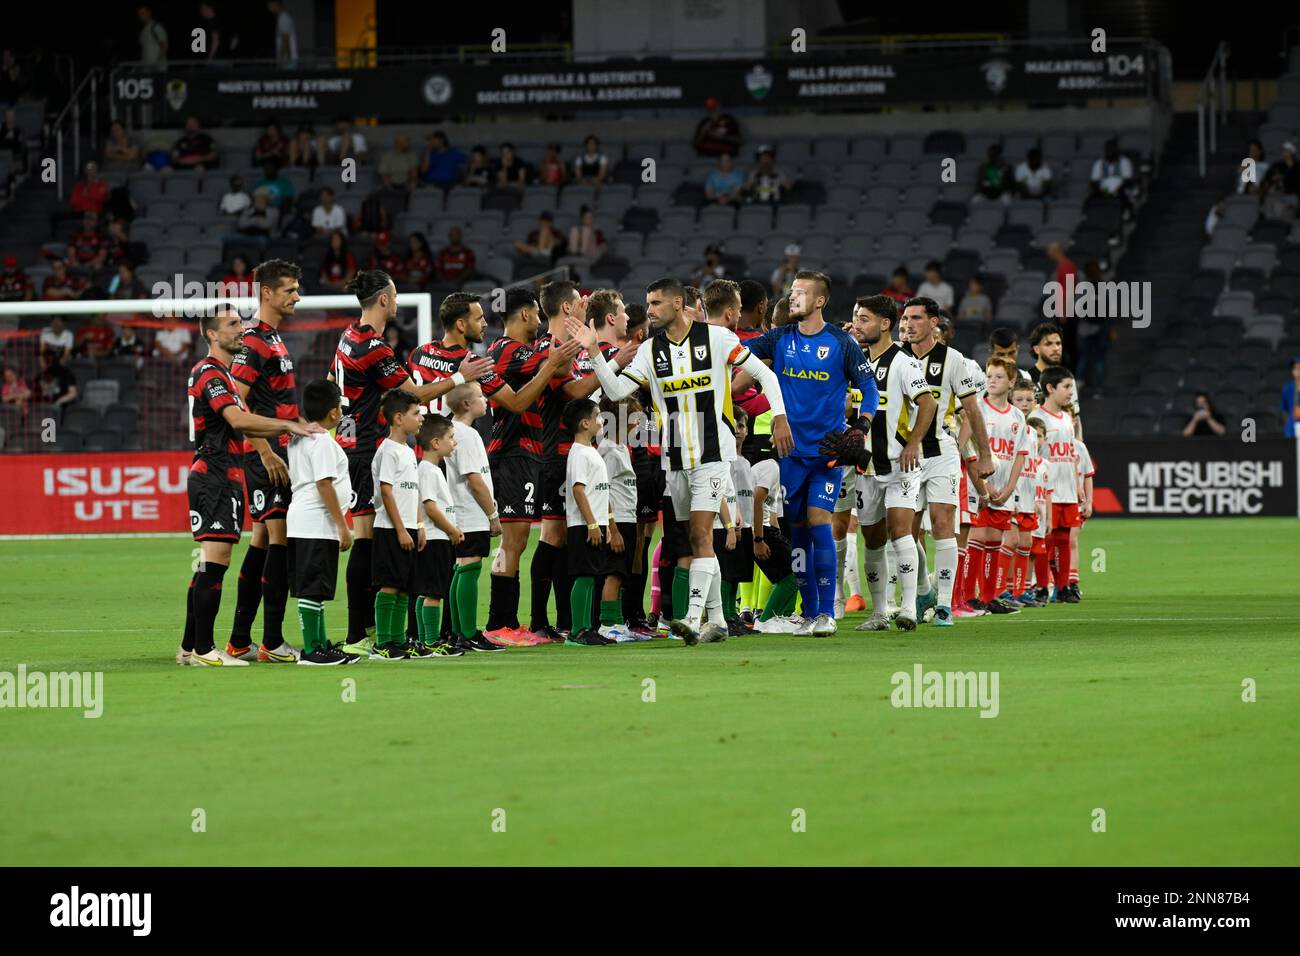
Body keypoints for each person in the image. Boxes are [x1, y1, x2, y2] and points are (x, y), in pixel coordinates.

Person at [573, 276, 792, 644]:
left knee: (699, 535)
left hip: (712, 453)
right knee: (696, 538)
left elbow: (765, 374)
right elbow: (615, 391)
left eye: (656, 303)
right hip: (674, 460)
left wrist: (781, 417)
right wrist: (595, 352)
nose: (650, 310)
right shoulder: (648, 351)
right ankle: (719, 621)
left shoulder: (718, 339)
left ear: (677, 304)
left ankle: (691, 618)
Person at [329, 270, 493, 650]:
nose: (399, 301)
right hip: (368, 449)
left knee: (375, 540)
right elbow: (414, 395)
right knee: (374, 541)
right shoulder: (374, 346)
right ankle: (364, 634)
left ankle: (376, 632)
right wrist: (458, 377)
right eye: (396, 294)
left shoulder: (347, 336)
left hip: (351, 444)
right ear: (384, 299)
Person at [177, 306, 321, 667]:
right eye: (232, 324)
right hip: (213, 474)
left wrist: (286, 426)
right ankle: (205, 650)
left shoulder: (221, 373)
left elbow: (246, 421)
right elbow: (238, 419)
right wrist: (288, 426)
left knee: (211, 563)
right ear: (211, 334)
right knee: (215, 562)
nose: (241, 329)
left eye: (241, 322)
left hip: (223, 474)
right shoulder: (210, 372)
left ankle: (189, 646)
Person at [477, 289, 583, 641]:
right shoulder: (510, 350)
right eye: (536, 313)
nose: (538, 319)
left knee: (517, 542)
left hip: (525, 453)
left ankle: (507, 622)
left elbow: (558, 367)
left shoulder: (513, 352)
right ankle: (499, 624)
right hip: (512, 452)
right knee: (513, 541)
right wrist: (560, 352)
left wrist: (565, 345)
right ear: (524, 315)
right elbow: (525, 398)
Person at [225, 258, 306, 663]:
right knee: (282, 541)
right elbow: (236, 400)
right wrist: (264, 450)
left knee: (261, 541)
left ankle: (241, 639)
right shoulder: (255, 338)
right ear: (267, 293)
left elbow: (274, 403)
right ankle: (272, 643)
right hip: (266, 457)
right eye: (290, 289)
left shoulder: (273, 338)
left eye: (297, 289)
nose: (297, 296)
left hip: (279, 452)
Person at [840, 295, 937, 632]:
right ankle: (880, 612)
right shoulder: (856, 362)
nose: (856, 324)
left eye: (863, 318)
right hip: (866, 467)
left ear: (884, 324)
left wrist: (913, 444)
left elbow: (927, 403)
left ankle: (909, 607)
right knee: (872, 540)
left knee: (900, 532)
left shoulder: (904, 362)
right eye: (855, 317)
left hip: (900, 466)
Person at [897, 297, 994, 628]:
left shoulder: (955, 361)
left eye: (916, 318)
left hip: (941, 451)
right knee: (906, 533)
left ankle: (942, 605)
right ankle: (923, 588)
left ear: (934, 322)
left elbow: (973, 410)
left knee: (942, 522)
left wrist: (985, 454)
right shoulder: (895, 356)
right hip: (903, 455)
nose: (908, 324)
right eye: (905, 318)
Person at [286, 379, 362, 665]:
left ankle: (319, 644)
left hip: (308, 521)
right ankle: (311, 650)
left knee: (315, 588)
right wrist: (342, 524)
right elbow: (324, 484)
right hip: (316, 522)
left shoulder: (300, 438)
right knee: (312, 589)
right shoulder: (322, 443)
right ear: (333, 413)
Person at [442, 381, 505, 653]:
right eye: (480, 396)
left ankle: (459, 631)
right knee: (469, 565)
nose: (486, 399)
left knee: (460, 566)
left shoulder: (457, 432)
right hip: (471, 511)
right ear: (466, 404)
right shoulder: (466, 435)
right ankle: (467, 633)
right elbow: (475, 480)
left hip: (461, 511)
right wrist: (492, 514)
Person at [968, 358, 1030, 614]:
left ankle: (990, 596)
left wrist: (1008, 488)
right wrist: (984, 485)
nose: (992, 380)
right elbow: (968, 448)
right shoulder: (977, 409)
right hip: (978, 488)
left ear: (1011, 382)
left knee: (995, 539)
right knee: (976, 537)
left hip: (1004, 491)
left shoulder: (1017, 416)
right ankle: (967, 595)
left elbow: (1019, 454)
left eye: (999, 376)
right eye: (989, 375)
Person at [368, 388, 426, 660]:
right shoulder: (388, 450)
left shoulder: (408, 450)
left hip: (407, 528)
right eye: (416, 414)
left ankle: (398, 640)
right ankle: (382, 643)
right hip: (391, 529)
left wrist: (418, 525)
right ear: (399, 418)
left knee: (404, 585)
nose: (421, 418)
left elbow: (411, 492)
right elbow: (387, 491)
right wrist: (402, 528)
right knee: (389, 584)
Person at [561, 398, 617, 646]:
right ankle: (577, 631)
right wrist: (593, 524)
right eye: (597, 416)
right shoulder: (580, 454)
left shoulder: (590, 452)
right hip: (585, 525)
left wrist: (608, 524)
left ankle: (587, 628)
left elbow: (599, 491)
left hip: (596, 523)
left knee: (593, 574)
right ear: (585, 423)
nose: (601, 420)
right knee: (584, 575)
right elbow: (578, 491)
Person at [412, 413, 464, 656]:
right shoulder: (428, 471)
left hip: (434, 538)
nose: (454, 442)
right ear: (435, 443)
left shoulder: (429, 469)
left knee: (427, 591)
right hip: (436, 538)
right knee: (434, 593)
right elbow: (431, 508)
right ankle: (431, 641)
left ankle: (423, 640)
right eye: (451, 438)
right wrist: (452, 530)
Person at [595, 395, 642, 642]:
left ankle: (618, 622)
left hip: (628, 517)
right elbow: (603, 492)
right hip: (618, 521)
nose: (640, 421)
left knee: (622, 572)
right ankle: (607, 624)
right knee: (614, 572)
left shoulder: (622, 447)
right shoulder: (608, 451)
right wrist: (612, 529)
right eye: (636, 416)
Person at [1037, 366, 1081, 603]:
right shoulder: (1036, 417)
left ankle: (1064, 587)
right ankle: (1043, 586)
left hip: (1068, 490)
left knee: (1064, 540)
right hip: (1047, 491)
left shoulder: (1067, 418)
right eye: (1066, 387)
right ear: (1050, 388)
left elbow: (1072, 454)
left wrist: (1079, 486)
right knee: (1047, 540)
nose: (1070, 393)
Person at [269, 0, 298, 68]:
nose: (269, 7)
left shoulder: (283, 18)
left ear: (275, 4)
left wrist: (282, 59)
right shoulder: (281, 17)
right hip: (288, 61)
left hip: (288, 62)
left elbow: (285, 39)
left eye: (270, 4)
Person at [1282, 358, 1300, 439]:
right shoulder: (1287, 388)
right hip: (1291, 427)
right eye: (1295, 368)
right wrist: (1288, 423)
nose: (1297, 371)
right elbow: (1284, 409)